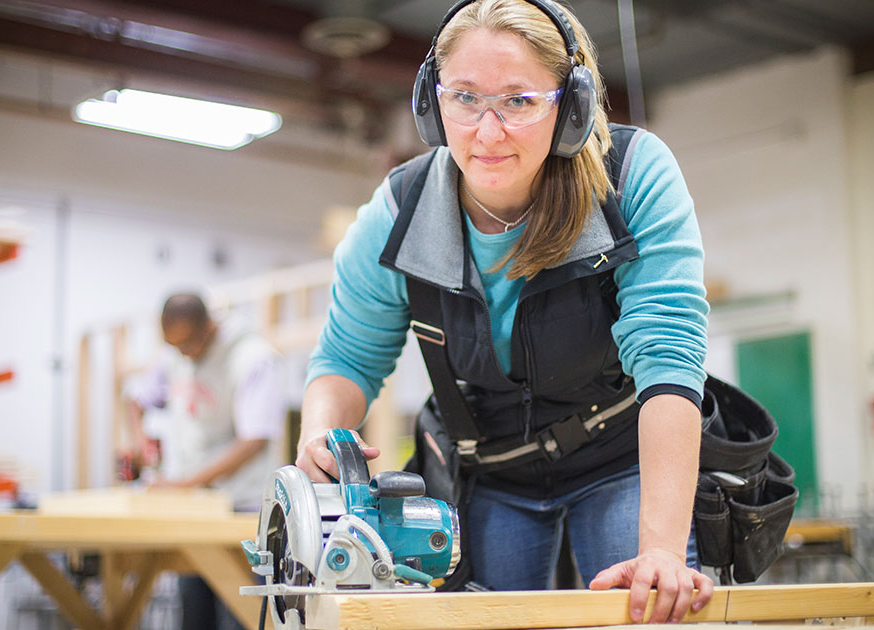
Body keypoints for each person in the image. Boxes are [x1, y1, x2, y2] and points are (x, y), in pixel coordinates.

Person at [295, 0, 714, 623]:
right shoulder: (396, 218)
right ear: (430, 103)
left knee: (648, 610)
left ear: (570, 108)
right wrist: (320, 433)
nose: (486, 132)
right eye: (463, 98)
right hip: (486, 470)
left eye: (518, 102)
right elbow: (346, 358)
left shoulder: (633, 179)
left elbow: (668, 356)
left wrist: (659, 548)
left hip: (621, 456)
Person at [126, 292, 285, 630]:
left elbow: (253, 441)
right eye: (174, 346)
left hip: (242, 509)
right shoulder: (174, 355)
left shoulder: (253, 357)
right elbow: (135, 399)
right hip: (194, 506)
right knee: (194, 614)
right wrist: (140, 443)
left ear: (207, 328)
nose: (182, 353)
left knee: (241, 615)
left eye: (187, 344)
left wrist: (182, 484)